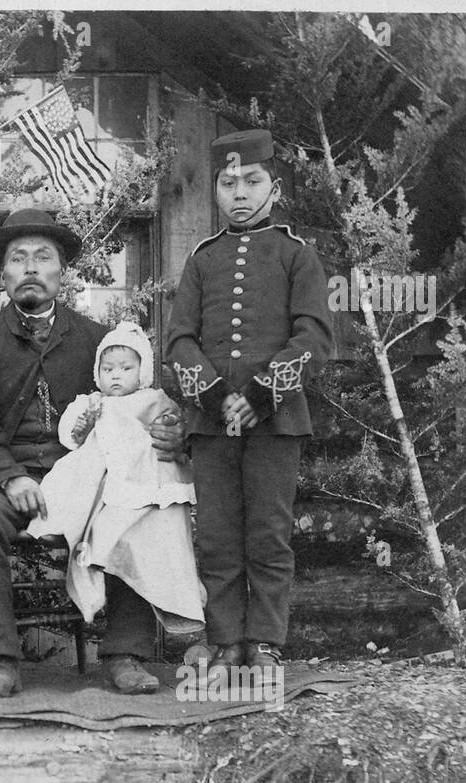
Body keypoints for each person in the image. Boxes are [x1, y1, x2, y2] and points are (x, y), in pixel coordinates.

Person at [0, 208, 184, 698]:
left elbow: (136, 407)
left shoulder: (100, 342)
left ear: (62, 272)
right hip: (7, 481)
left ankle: (125, 653)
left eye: (43, 257)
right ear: (4, 273)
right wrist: (9, 477)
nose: (31, 267)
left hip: (85, 478)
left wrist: (166, 428)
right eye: (18, 258)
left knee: (136, 504)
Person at [165, 128, 335, 671]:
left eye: (252, 181)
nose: (239, 193)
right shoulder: (202, 259)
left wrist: (262, 393)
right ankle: (226, 640)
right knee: (216, 536)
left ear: (274, 188)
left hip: (276, 421)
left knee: (267, 533)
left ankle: (264, 641)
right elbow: (178, 341)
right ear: (215, 190)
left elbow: (314, 337)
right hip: (211, 423)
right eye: (228, 182)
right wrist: (215, 397)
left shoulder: (298, 256)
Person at [26, 322, 205, 676]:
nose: (117, 377)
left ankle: (133, 640)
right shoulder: (93, 402)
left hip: (140, 481)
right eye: (108, 369)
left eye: (127, 368)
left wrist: (170, 424)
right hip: (97, 479)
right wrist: (84, 424)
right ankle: (87, 539)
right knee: (82, 497)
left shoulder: (152, 399)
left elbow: (172, 426)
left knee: (149, 522)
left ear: (144, 372)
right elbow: (71, 436)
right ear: (97, 374)